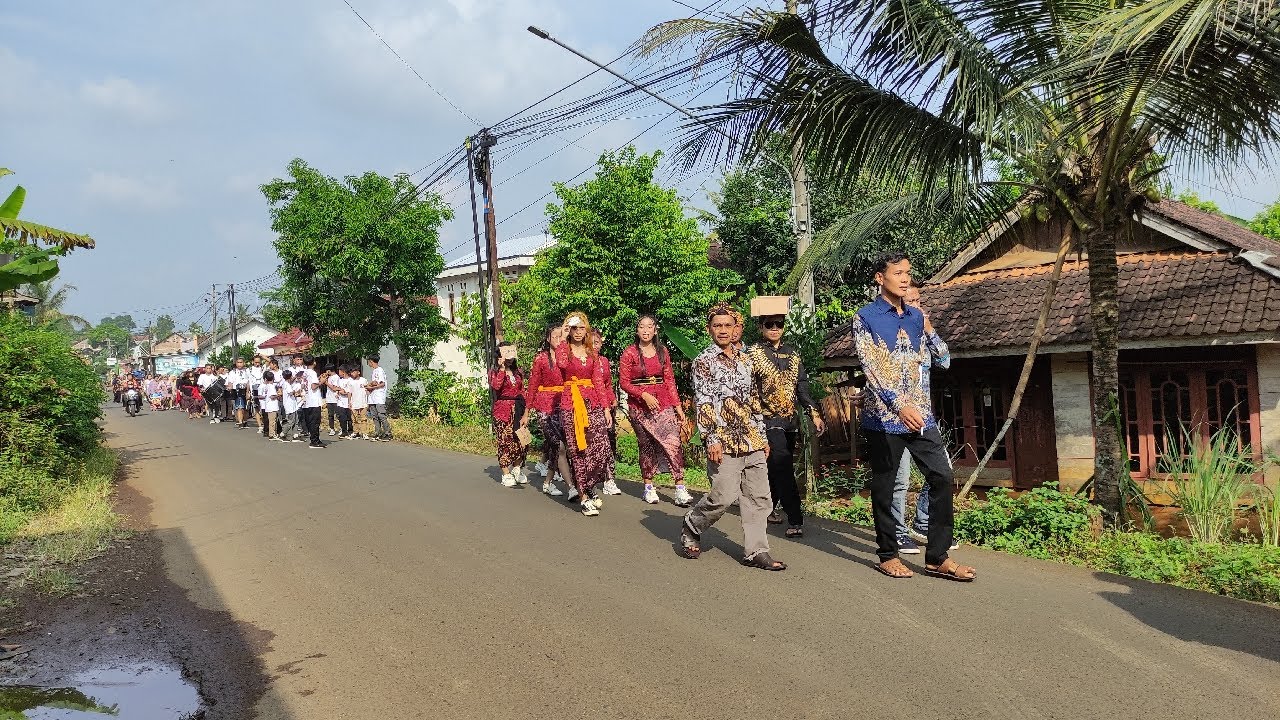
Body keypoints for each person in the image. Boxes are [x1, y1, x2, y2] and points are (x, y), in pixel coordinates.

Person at [853, 252, 974, 581]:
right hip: (884, 418)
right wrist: (897, 405)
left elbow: (944, 360)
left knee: (942, 477)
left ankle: (937, 557)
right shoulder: (866, 317)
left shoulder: (916, 317)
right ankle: (887, 554)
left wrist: (929, 325)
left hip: (922, 417)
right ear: (881, 278)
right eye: (898, 273)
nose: (905, 278)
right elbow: (871, 367)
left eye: (908, 272)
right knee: (886, 485)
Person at [680, 303, 784, 571]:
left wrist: (762, 437)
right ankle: (693, 524)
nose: (723, 330)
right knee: (722, 497)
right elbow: (703, 402)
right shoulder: (703, 362)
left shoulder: (746, 359)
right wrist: (710, 438)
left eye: (727, 325)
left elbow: (753, 401)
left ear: (736, 328)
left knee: (759, 499)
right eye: (717, 326)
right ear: (709, 329)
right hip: (723, 442)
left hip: (751, 439)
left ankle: (757, 551)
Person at [745, 307, 825, 540]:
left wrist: (814, 414)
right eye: (769, 324)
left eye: (778, 324)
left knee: (776, 466)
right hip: (766, 420)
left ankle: (769, 508)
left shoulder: (792, 355)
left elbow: (802, 387)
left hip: (789, 421)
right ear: (761, 328)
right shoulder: (753, 354)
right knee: (783, 465)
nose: (774, 329)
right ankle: (795, 517)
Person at [619, 315, 691, 506]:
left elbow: (669, 380)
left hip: (663, 404)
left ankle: (680, 488)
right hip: (639, 407)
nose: (645, 330)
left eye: (649, 327)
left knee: (673, 443)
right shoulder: (630, 353)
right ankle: (649, 488)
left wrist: (677, 407)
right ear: (637, 331)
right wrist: (643, 395)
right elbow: (624, 382)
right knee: (647, 446)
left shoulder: (662, 352)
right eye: (641, 327)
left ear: (655, 330)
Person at [555, 312, 615, 516]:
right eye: (574, 328)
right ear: (568, 330)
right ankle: (583, 495)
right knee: (578, 449)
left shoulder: (592, 353)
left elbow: (598, 380)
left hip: (594, 403)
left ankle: (590, 485)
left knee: (600, 447)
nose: (578, 332)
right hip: (571, 404)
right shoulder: (564, 350)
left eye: (581, 328)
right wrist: (563, 339)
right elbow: (562, 364)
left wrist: (606, 407)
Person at [521, 325, 569, 497]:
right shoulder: (541, 359)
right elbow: (533, 385)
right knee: (557, 444)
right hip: (545, 406)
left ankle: (548, 482)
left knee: (559, 447)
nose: (558, 339)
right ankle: (571, 486)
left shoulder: (568, 357)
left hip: (564, 404)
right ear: (548, 338)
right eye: (554, 336)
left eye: (561, 336)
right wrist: (527, 412)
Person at [490, 343, 528, 487]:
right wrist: (501, 368)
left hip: (518, 408)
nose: (510, 359)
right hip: (503, 411)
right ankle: (506, 472)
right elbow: (496, 386)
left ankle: (517, 468)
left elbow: (523, 391)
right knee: (505, 441)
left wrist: (526, 411)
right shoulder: (494, 372)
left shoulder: (518, 372)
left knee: (522, 440)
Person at [301, 356, 326, 448]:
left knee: (311, 421)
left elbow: (303, 386)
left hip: (307, 400)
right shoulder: (312, 372)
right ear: (314, 362)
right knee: (315, 421)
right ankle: (314, 441)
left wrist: (318, 378)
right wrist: (321, 382)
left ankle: (315, 439)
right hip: (314, 400)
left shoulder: (305, 373)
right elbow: (313, 386)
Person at [365, 355, 392, 441]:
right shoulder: (374, 371)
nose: (368, 363)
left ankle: (388, 433)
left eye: (368, 361)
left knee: (381, 415)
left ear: (371, 361)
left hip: (379, 397)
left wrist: (372, 387)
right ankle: (378, 432)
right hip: (373, 397)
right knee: (374, 415)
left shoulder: (380, 370)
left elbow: (382, 383)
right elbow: (374, 383)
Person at [226, 358, 253, 428]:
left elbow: (249, 381)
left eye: (241, 362)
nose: (239, 364)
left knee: (246, 407)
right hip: (237, 390)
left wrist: (248, 391)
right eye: (238, 362)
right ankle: (240, 422)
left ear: (244, 363)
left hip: (246, 389)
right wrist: (230, 388)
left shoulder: (247, 371)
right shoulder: (232, 372)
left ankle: (245, 421)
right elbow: (230, 382)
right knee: (239, 407)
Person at [279, 369, 302, 442]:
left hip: (293, 405)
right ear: (290, 376)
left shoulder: (286, 384)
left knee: (295, 420)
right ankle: (283, 434)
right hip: (289, 406)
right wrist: (296, 391)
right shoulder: (286, 384)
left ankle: (295, 435)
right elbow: (291, 393)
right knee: (290, 421)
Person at [331, 366, 353, 438]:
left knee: (349, 417)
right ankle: (344, 431)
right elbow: (335, 388)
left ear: (343, 372)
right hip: (340, 401)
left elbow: (349, 391)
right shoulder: (340, 380)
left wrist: (343, 391)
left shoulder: (350, 380)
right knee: (341, 417)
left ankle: (350, 430)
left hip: (348, 401)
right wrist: (339, 390)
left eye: (340, 371)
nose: (339, 373)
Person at [348, 366, 370, 439]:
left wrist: (369, 400)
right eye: (351, 372)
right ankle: (355, 432)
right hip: (354, 402)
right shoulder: (350, 381)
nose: (352, 374)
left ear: (358, 372)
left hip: (363, 402)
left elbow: (367, 390)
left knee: (363, 418)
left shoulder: (364, 380)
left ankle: (364, 433)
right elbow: (349, 393)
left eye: (354, 372)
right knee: (354, 418)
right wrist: (349, 402)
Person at [258, 370, 280, 440]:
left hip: (269, 406)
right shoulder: (271, 386)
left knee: (271, 421)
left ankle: (272, 433)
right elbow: (272, 396)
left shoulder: (267, 386)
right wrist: (278, 395)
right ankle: (272, 434)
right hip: (272, 406)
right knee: (272, 421)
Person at [324, 365, 341, 437]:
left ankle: (341, 428)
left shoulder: (336, 377)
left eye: (327, 370)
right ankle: (332, 429)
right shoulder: (329, 377)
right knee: (330, 415)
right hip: (329, 398)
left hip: (335, 398)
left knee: (338, 414)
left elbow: (335, 388)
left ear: (329, 370)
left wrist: (326, 383)